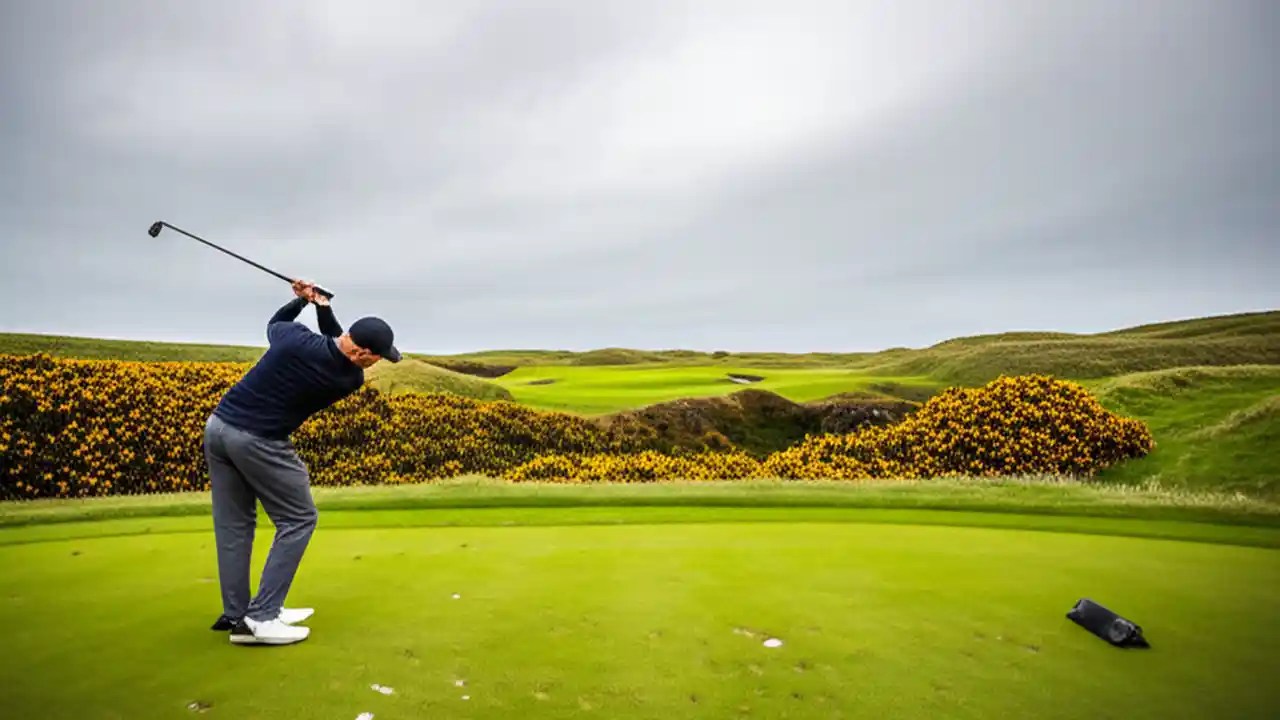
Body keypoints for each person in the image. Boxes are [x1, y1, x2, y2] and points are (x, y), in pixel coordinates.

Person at [203, 280, 400, 645]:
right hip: (258, 440)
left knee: (234, 524)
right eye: (379, 356)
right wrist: (321, 307)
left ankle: (238, 615)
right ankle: (260, 617)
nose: (378, 363)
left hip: (218, 427)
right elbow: (340, 346)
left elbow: (280, 325)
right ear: (364, 354)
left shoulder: (292, 339)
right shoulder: (348, 378)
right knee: (299, 518)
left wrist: (303, 302)